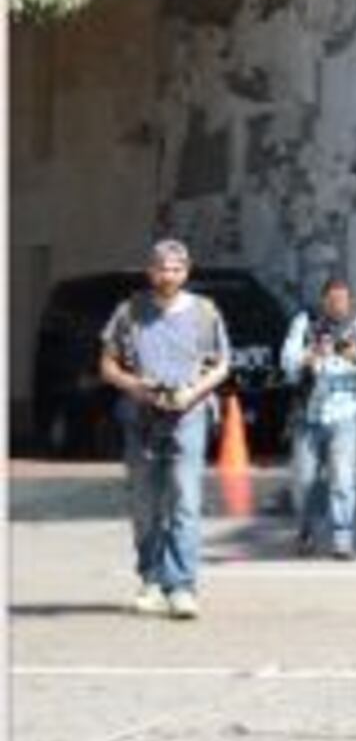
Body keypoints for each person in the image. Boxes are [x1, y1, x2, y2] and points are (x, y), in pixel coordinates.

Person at [99, 239, 232, 622]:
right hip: (140, 417)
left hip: (188, 416)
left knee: (184, 501)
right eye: (161, 268)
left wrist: (193, 391)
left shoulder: (205, 312)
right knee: (146, 504)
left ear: (186, 272)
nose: (168, 275)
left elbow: (222, 364)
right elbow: (107, 366)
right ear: (150, 271)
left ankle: (183, 586)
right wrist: (136, 387)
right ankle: (152, 581)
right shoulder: (129, 312)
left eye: (175, 269)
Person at [280, 277, 356, 559]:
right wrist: (309, 355)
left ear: (351, 302)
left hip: (345, 414)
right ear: (323, 301)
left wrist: (355, 356)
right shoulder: (304, 324)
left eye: (343, 300)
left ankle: (342, 539)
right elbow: (286, 362)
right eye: (333, 300)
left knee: (343, 479)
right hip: (308, 414)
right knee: (304, 482)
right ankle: (305, 531)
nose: (338, 305)